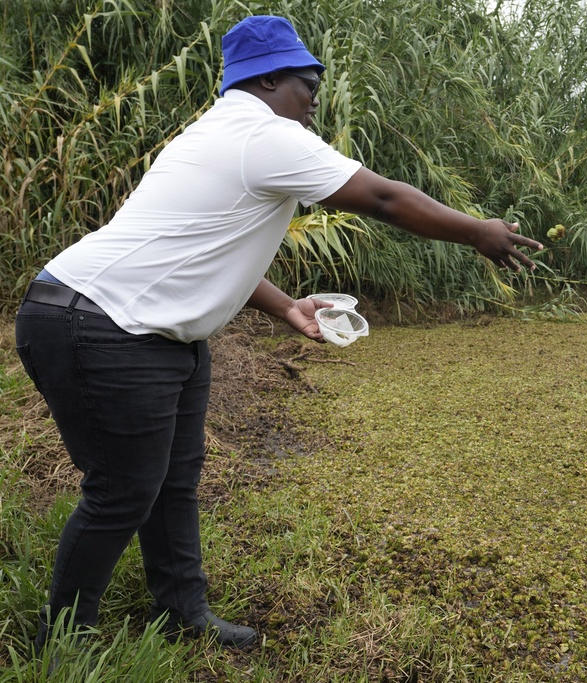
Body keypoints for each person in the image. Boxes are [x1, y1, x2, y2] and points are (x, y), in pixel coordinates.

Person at [14, 15, 542, 651]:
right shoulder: (261, 132)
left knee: (174, 481)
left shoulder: (217, 134)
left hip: (140, 328)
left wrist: (287, 307)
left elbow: (203, 248)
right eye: (307, 89)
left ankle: (184, 613)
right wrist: (475, 232)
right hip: (102, 323)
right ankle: (62, 643)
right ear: (267, 80)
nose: (314, 106)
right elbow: (379, 197)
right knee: (121, 492)